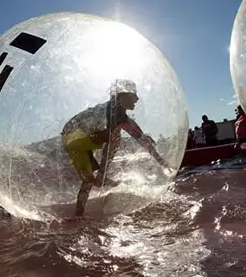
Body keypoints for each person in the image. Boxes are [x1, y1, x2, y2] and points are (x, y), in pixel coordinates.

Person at [61, 79, 169, 217]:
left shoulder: (118, 114)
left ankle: (79, 215)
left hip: (77, 139)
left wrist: (160, 161)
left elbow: (141, 138)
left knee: (88, 180)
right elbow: (136, 137)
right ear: (123, 96)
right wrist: (159, 159)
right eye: (134, 95)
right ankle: (101, 178)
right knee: (114, 136)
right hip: (72, 137)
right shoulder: (112, 112)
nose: (137, 99)